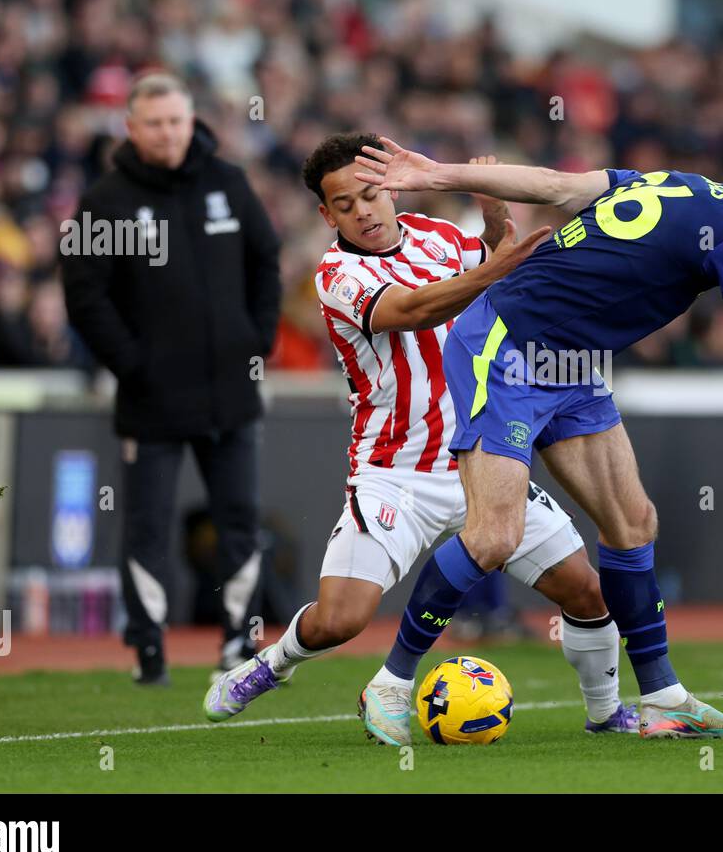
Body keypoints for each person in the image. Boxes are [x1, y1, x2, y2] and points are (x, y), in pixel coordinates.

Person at [356, 138, 723, 738]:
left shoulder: (680, 181)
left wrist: (439, 172)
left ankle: (662, 699)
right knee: (496, 536)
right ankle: (389, 684)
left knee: (632, 522)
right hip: (508, 347)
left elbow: (554, 185)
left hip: (573, 364)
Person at [205, 134, 639, 742]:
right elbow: (415, 309)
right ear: (327, 216)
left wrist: (495, 220)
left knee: (587, 591)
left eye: (371, 193)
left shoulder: (440, 238)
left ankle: (605, 712)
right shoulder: (338, 274)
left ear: (391, 187)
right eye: (345, 204)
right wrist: (496, 263)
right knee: (341, 619)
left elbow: (496, 269)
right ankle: (270, 664)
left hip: (484, 460)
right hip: (396, 470)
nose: (363, 211)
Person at [61, 73, 282, 685]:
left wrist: (255, 341)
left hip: (232, 391)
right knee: (146, 527)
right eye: (154, 123)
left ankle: (239, 643)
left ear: (192, 121)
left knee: (239, 519)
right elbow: (85, 298)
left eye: (176, 121)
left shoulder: (228, 182)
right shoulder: (105, 201)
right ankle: (147, 649)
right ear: (131, 127)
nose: (167, 133)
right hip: (150, 399)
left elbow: (266, 263)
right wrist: (133, 365)